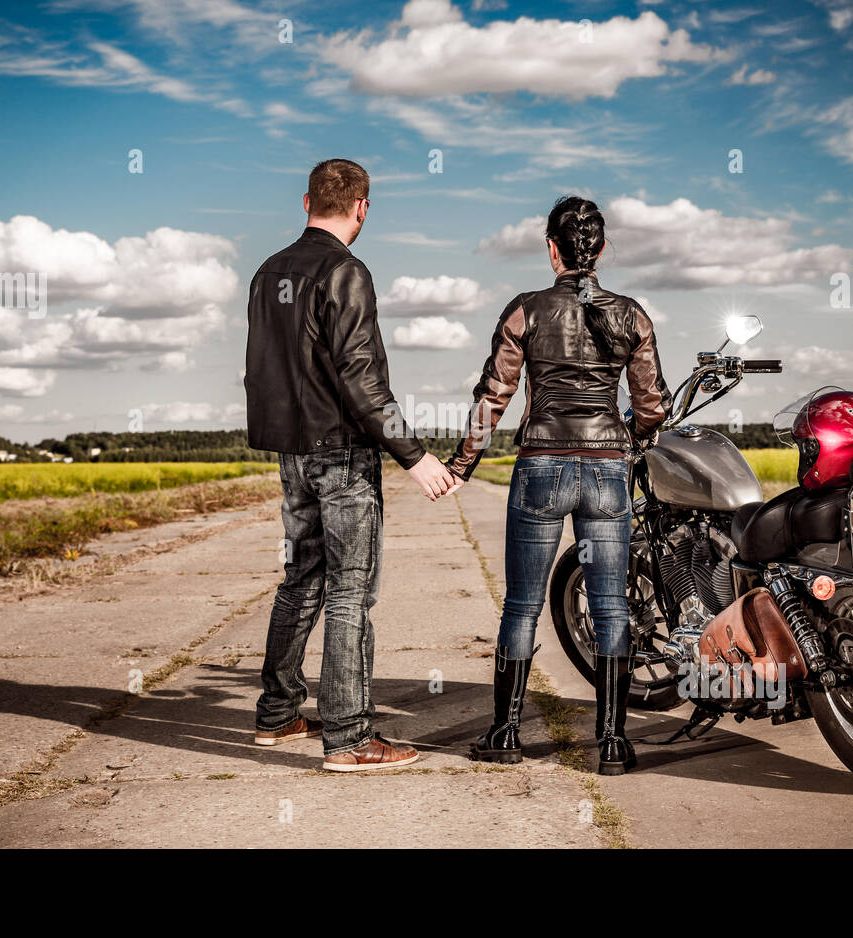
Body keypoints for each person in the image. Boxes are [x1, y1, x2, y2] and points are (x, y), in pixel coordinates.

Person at [244, 158, 458, 772]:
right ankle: (350, 738)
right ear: (362, 208)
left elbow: (266, 369)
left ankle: (279, 714)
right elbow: (361, 381)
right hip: (340, 455)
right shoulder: (346, 272)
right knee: (349, 592)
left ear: (306, 201)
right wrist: (414, 457)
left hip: (293, 455)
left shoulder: (267, 273)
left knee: (301, 581)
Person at [446, 196, 672, 775]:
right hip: (607, 470)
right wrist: (626, 436)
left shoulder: (526, 310)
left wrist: (462, 465)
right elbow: (652, 405)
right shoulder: (632, 314)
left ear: (552, 249)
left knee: (521, 605)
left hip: (540, 467)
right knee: (611, 607)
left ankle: (504, 733)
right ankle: (614, 744)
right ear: (597, 250)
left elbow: (493, 396)